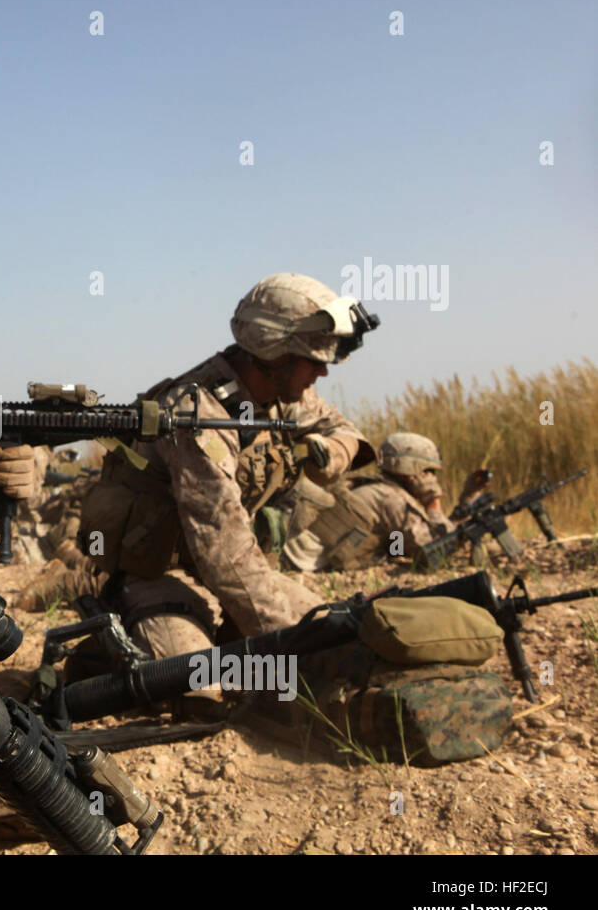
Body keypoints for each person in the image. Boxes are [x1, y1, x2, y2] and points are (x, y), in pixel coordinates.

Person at [78, 273, 378, 676]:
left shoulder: (282, 395)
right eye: (314, 359)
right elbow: (224, 549)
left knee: (345, 635)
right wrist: (290, 650)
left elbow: (344, 432)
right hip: (160, 577)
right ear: (275, 351)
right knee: (196, 687)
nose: (321, 374)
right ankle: (104, 649)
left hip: (233, 573)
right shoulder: (198, 417)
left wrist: (330, 454)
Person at [282, 432, 485, 571]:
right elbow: (436, 551)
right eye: (429, 471)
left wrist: (467, 500)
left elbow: (400, 545)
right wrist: (434, 504)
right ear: (412, 471)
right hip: (306, 562)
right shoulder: (392, 499)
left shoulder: (381, 489)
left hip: (302, 554)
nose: (434, 478)